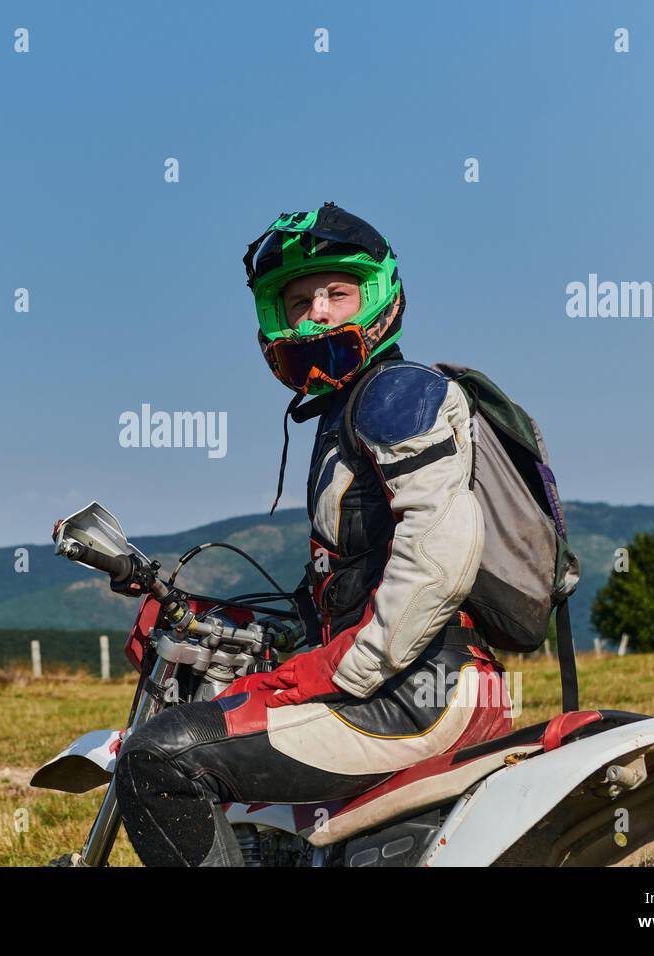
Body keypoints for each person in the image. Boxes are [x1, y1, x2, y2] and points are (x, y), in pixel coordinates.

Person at [113, 203, 512, 867]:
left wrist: (343, 670)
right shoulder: (345, 416)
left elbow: (440, 552)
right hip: (412, 683)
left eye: (337, 292)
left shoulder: (397, 394)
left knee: (156, 758)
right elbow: (351, 577)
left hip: (419, 693)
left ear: (378, 297)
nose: (318, 313)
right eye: (299, 301)